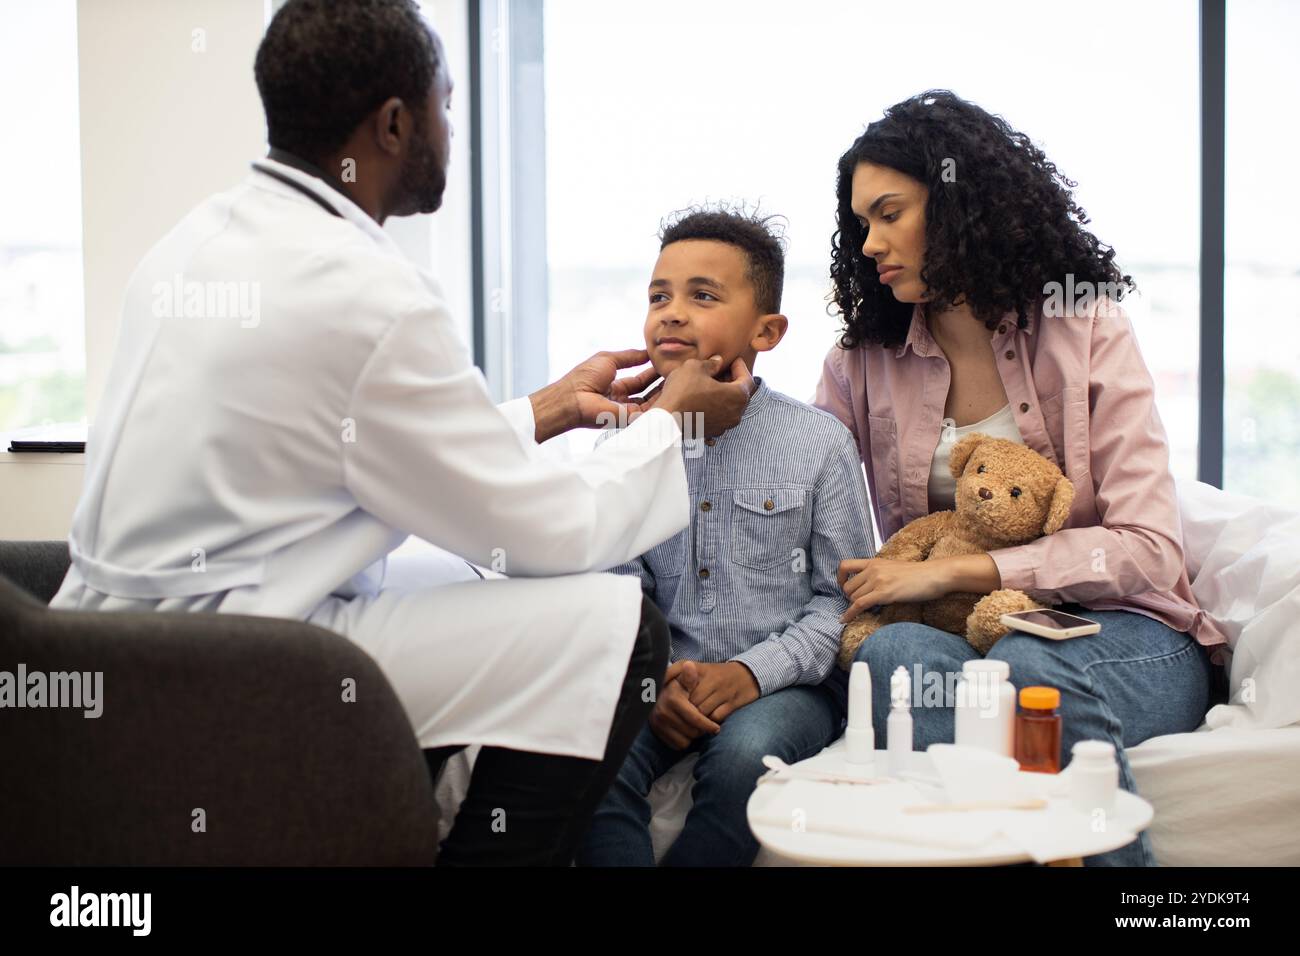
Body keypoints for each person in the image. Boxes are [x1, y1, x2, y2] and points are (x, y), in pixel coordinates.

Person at [47, 0, 754, 866]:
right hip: (232, 664)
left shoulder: (197, 241)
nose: (450, 130)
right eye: (445, 106)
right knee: (617, 629)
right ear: (393, 124)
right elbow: (548, 535)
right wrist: (672, 422)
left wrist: (544, 408)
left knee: (470, 568)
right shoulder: (364, 292)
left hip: (117, 638)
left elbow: (351, 450)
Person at [813, 90, 1232, 866]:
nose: (869, 242)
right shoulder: (858, 363)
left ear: (960, 202)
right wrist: (720, 410)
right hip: (957, 636)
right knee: (893, 658)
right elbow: (813, 502)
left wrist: (968, 569)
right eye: (860, 222)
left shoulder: (1088, 329)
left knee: (1029, 663)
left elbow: (1147, 548)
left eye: (889, 212)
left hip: (1123, 634)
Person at [576, 208, 874, 866]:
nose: (672, 313)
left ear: (766, 330)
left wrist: (749, 673)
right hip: (660, 682)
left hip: (786, 689)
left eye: (702, 295)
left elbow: (844, 602)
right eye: (659, 296)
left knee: (743, 758)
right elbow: (616, 584)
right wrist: (652, 682)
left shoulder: (820, 443)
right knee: (596, 762)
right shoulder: (629, 439)